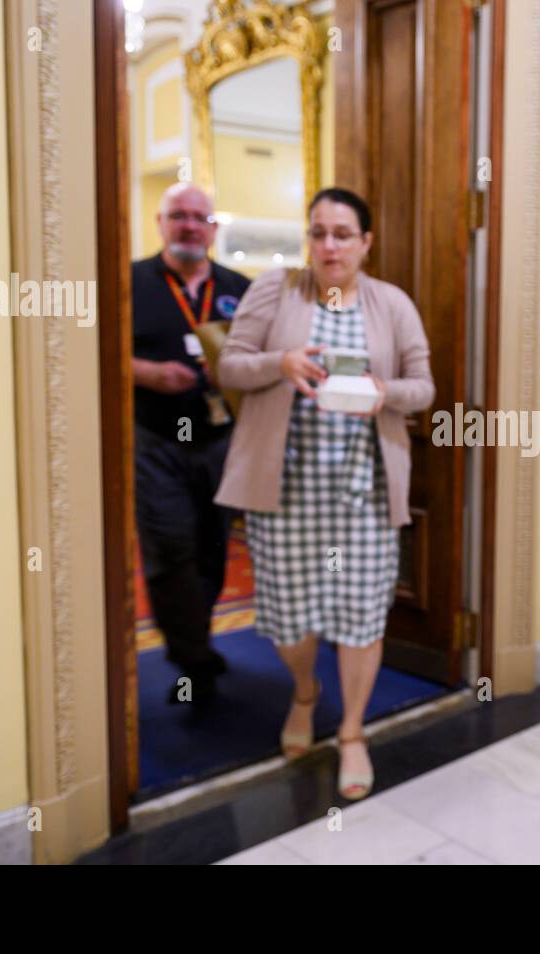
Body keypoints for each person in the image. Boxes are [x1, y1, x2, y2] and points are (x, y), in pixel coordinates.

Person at [215, 187, 434, 799]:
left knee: (363, 617)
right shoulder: (275, 289)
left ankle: (354, 732)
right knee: (289, 621)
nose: (329, 245)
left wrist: (382, 391)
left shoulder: (390, 303)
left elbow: (425, 387)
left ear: (366, 241)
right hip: (283, 490)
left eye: (342, 233)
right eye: (318, 232)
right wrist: (279, 362)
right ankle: (306, 692)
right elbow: (230, 366)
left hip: (363, 492)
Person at [132, 183, 251, 705]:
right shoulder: (130, 281)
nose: (189, 226)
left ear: (213, 229)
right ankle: (190, 656)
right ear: (160, 222)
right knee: (169, 550)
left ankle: (195, 641)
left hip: (220, 441)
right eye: (178, 216)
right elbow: (91, 349)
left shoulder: (239, 288)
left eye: (199, 218)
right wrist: (145, 373)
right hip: (157, 443)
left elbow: (264, 354)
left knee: (212, 548)